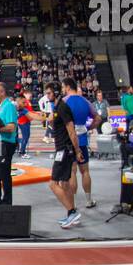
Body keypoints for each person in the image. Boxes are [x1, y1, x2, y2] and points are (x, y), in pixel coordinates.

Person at [47, 80, 83, 228]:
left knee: (53, 184)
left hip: (64, 150)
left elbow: (71, 131)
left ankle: (72, 211)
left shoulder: (62, 107)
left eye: (49, 92)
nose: (47, 95)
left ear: (55, 92)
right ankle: (71, 215)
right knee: (65, 183)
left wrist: (77, 150)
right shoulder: (57, 108)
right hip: (63, 149)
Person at [64, 81, 95, 209]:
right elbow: (97, 118)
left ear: (67, 87)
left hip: (69, 140)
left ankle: (73, 203)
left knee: (72, 172)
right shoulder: (85, 101)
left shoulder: (64, 101)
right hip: (82, 140)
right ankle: (88, 200)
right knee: (85, 171)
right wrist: (88, 128)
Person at [15, 89, 34, 159]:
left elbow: (30, 111)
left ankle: (22, 150)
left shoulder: (27, 102)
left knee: (26, 136)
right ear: (25, 94)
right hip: (23, 122)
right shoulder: (24, 102)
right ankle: (22, 152)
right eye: (29, 95)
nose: (31, 96)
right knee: (25, 137)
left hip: (27, 121)